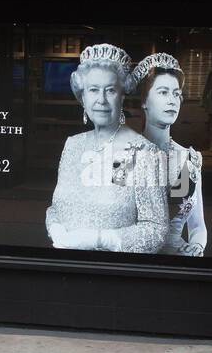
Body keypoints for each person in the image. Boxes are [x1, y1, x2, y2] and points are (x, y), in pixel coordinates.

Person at [45, 43, 168, 253]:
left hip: (111, 272)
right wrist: (55, 228)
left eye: (110, 90)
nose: (100, 100)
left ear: (121, 97)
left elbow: (156, 230)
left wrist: (100, 239)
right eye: (93, 90)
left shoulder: (143, 153)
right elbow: (56, 208)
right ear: (82, 97)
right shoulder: (72, 145)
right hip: (63, 263)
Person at [132, 53, 207, 257]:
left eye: (176, 94)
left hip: (178, 262)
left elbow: (198, 227)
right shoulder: (125, 157)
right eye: (163, 92)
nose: (172, 101)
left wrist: (196, 247)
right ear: (144, 101)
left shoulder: (189, 159)